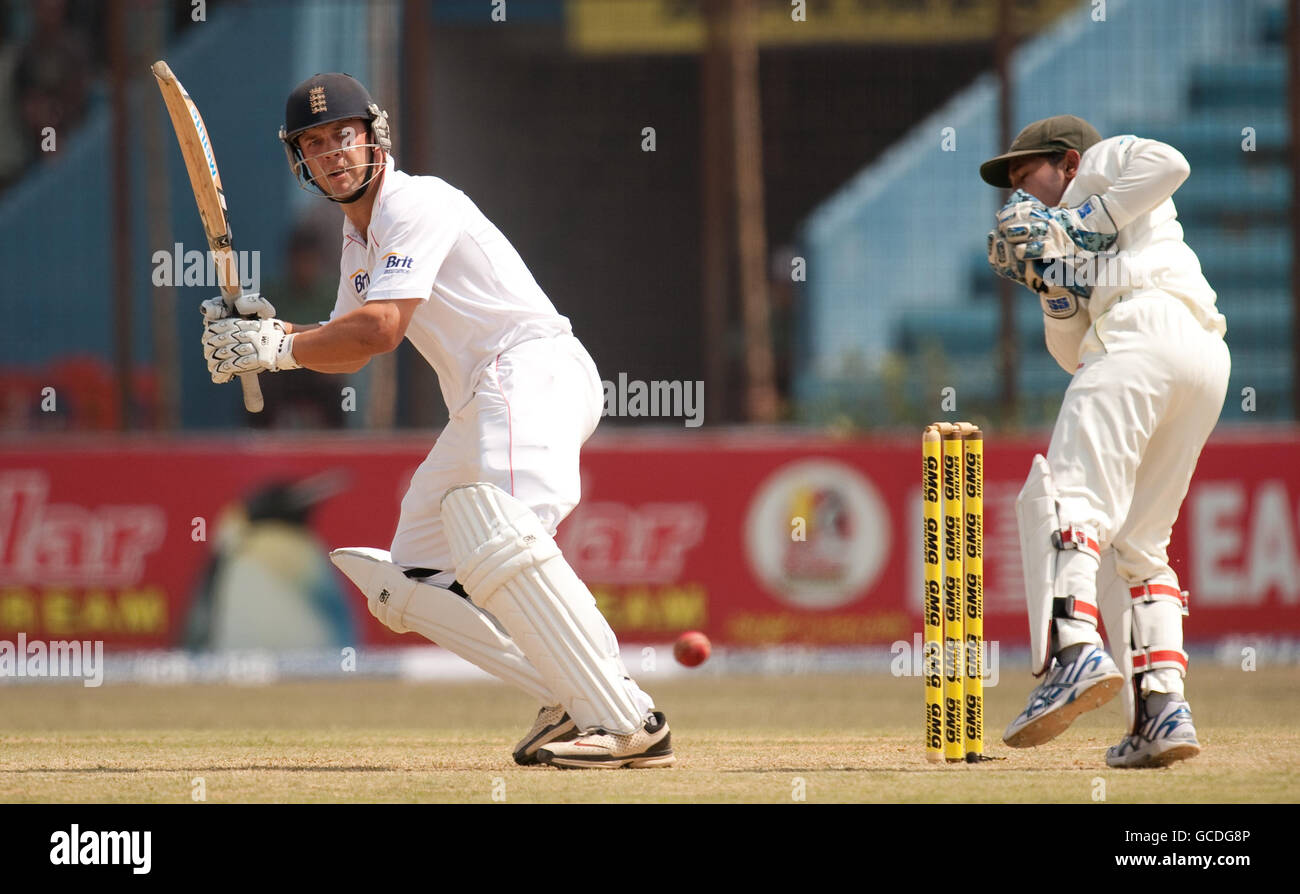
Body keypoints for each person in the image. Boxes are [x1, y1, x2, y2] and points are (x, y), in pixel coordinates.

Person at [199, 73, 673, 769]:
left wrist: (281, 348)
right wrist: (270, 337)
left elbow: (382, 330)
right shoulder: (357, 239)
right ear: (299, 159)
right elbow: (348, 344)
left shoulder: (417, 202)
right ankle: (572, 695)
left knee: (500, 532)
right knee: (413, 579)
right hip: (489, 400)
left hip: (529, 371)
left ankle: (630, 719)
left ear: (374, 136)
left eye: (344, 136)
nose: (333, 154)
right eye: (316, 143)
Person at [982, 115, 1229, 768]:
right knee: (1139, 544)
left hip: (1146, 328)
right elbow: (1071, 354)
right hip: (1195, 357)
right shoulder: (1066, 240)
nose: (1021, 195)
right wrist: (1055, 287)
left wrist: (1080, 220)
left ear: (1065, 161)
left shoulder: (1104, 161)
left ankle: (1074, 652)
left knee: (1065, 496)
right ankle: (1161, 711)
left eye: (1025, 174)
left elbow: (1172, 162)